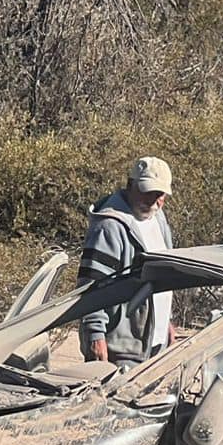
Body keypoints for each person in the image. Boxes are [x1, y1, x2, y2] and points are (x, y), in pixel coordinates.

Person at [78, 156, 176, 368]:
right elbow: (91, 285)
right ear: (130, 185)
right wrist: (95, 334)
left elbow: (163, 277)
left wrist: (165, 321)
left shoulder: (158, 220)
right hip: (120, 348)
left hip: (153, 344)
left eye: (159, 194)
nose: (153, 200)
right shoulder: (109, 227)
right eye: (147, 191)